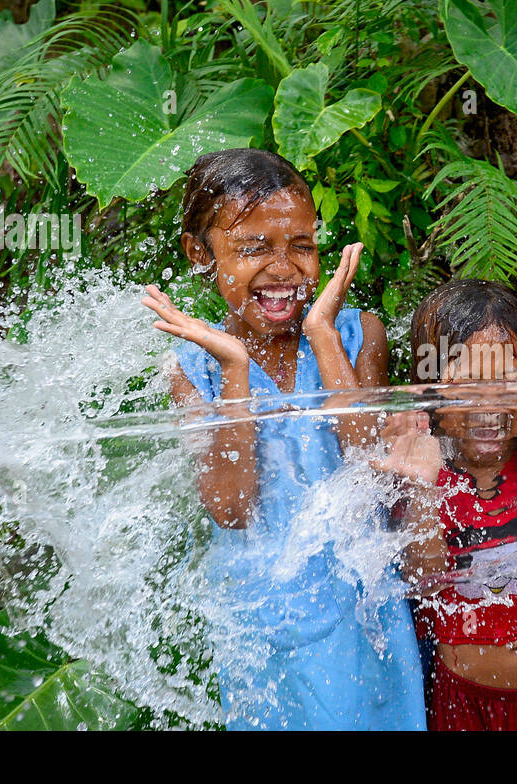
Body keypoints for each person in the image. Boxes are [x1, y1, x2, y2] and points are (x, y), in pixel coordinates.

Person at [140, 148, 425, 730]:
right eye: (252, 249)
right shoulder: (193, 370)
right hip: (260, 618)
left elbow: (369, 463)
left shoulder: (353, 334)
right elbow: (231, 508)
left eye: (301, 245)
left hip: (360, 605)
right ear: (200, 254)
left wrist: (321, 334)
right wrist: (237, 370)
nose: (284, 267)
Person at [374, 279, 517, 731]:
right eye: (467, 382)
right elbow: (425, 582)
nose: (488, 402)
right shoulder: (424, 464)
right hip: (462, 698)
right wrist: (422, 486)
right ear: (430, 389)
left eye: (506, 380)